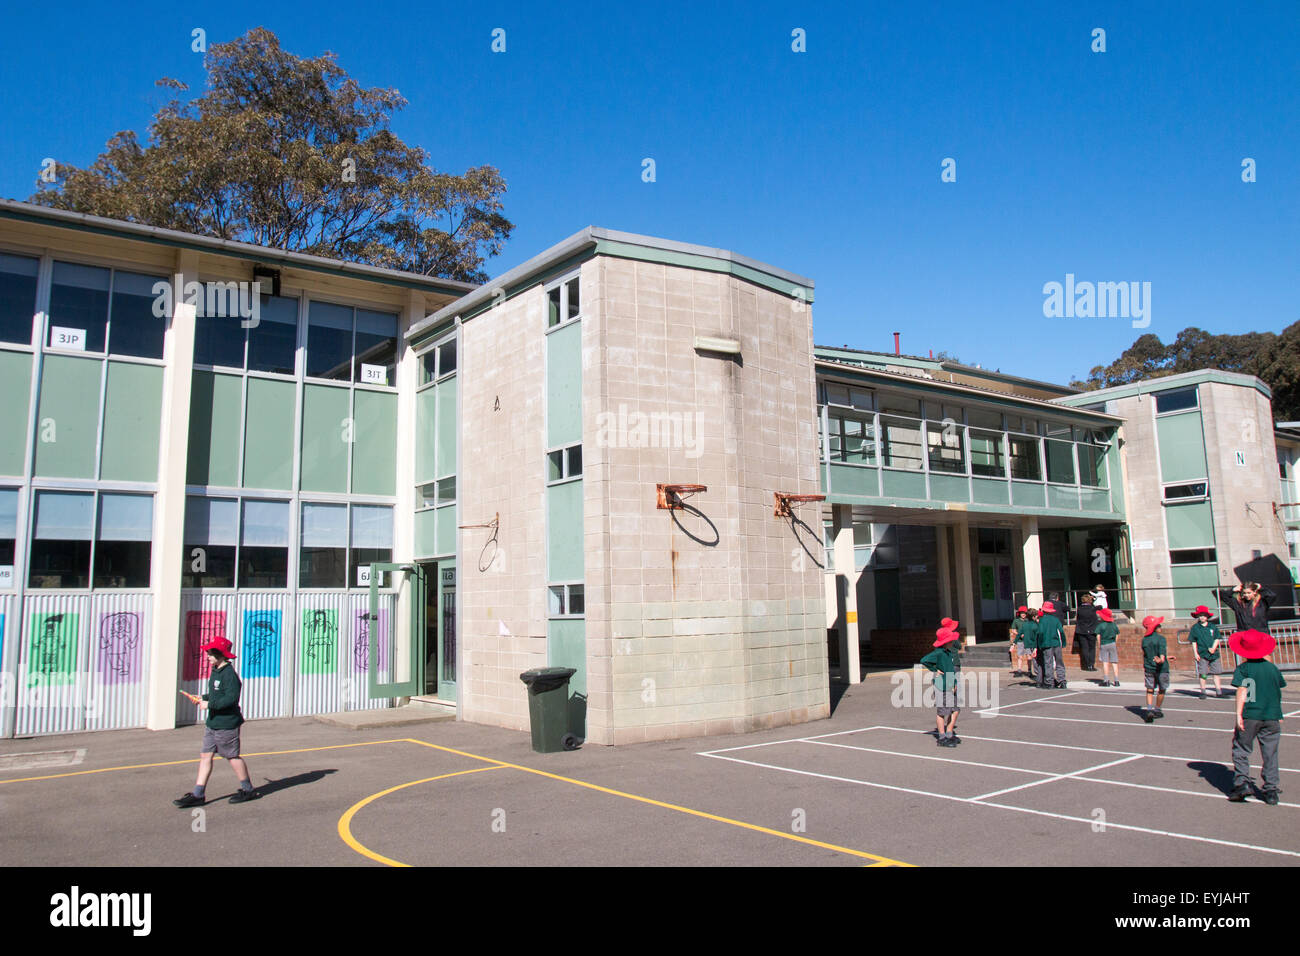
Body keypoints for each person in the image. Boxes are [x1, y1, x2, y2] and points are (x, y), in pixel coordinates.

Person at [174, 636, 259, 807]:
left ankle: (248, 790)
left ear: (221, 654)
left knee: (232, 757)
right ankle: (198, 794)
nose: (208, 656)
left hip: (226, 725)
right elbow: (216, 694)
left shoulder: (230, 675)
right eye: (208, 653)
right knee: (205, 756)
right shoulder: (216, 671)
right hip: (212, 723)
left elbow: (231, 699)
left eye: (211, 653)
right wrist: (202, 698)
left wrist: (209, 704)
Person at [1228, 629, 1286, 805]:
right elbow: (1277, 690)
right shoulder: (1272, 668)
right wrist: (1278, 712)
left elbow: (1242, 690)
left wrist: (1238, 714)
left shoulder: (1243, 668)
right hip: (1271, 715)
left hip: (1251, 714)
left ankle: (1242, 783)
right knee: (1270, 752)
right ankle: (1271, 789)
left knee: (1241, 749)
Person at [920, 627, 962, 748]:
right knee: (943, 711)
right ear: (945, 642)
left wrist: (954, 683)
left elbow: (950, 670)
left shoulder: (948, 653)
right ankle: (942, 737)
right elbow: (924, 660)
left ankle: (949, 732)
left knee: (955, 709)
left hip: (950, 682)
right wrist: (935, 669)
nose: (952, 642)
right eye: (950, 640)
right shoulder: (938, 652)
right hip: (941, 684)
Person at [1190, 605, 1226, 700]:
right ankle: (1203, 691)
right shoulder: (1195, 628)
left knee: (1216, 673)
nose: (1202, 617)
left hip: (1214, 654)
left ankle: (1218, 691)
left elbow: (1217, 638)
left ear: (1207, 616)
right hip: (1202, 653)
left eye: (1204, 615)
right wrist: (1195, 653)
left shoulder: (1212, 626)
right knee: (1203, 673)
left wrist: (1214, 647)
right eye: (1200, 615)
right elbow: (1193, 641)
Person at [1140, 615, 1171, 724]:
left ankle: (1149, 709)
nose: (1160, 626)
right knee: (1162, 689)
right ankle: (1157, 709)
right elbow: (1161, 652)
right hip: (1161, 669)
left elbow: (1147, 654)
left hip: (1149, 667)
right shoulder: (1161, 639)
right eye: (1158, 625)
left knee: (1150, 689)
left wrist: (1165, 657)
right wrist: (1162, 659)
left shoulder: (1144, 640)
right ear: (1154, 627)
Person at [1037, 601, 1068, 689]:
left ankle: (1049, 682)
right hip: (1057, 643)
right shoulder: (1056, 620)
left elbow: (1041, 633)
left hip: (1046, 644)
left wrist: (1039, 644)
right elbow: (1061, 632)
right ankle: (1062, 680)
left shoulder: (1042, 620)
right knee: (1059, 662)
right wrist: (1064, 642)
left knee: (1048, 663)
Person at [1096, 606, 1120, 687]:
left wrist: (1099, 644)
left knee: (1105, 662)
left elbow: (1098, 636)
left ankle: (1106, 680)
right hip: (1112, 643)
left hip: (1104, 643)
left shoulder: (1101, 625)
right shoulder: (1113, 625)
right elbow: (1117, 634)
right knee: (1114, 662)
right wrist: (1114, 642)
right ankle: (1116, 680)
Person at [1075, 592, 1099, 672]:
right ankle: (1091, 664)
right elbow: (1095, 619)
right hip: (1091, 630)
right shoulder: (1092, 609)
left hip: (1081, 630)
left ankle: (1087, 664)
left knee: (1084, 648)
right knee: (1092, 648)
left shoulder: (1079, 609)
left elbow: (1077, 619)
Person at [1010, 606, 1032, 677]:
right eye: (1022, 613)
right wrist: (1019, 634)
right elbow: (1013, 630)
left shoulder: (1028, 620)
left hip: (1028, 641)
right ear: (1019, 613)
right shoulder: (1016, 621)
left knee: (1029, 655)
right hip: (1020, 640)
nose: (1023, 614)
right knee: (1020, 656)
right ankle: (1019, 670)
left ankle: (1029, 670)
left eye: (1024, 613)